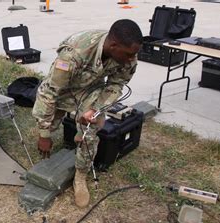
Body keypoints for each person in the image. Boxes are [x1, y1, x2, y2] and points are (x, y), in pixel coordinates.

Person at [32, 19, 143, 208]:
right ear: (113, 45)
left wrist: (96, 109)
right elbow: (49, 92)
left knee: (88, 131)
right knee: (48, 125)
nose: (131, 59)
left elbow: (117, 84)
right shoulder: (74, 54)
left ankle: (80, 176)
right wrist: (44, 135)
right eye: (128, 54)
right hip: (64, 90)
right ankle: (46, 138)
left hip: (91, 90)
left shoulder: (128, 55)